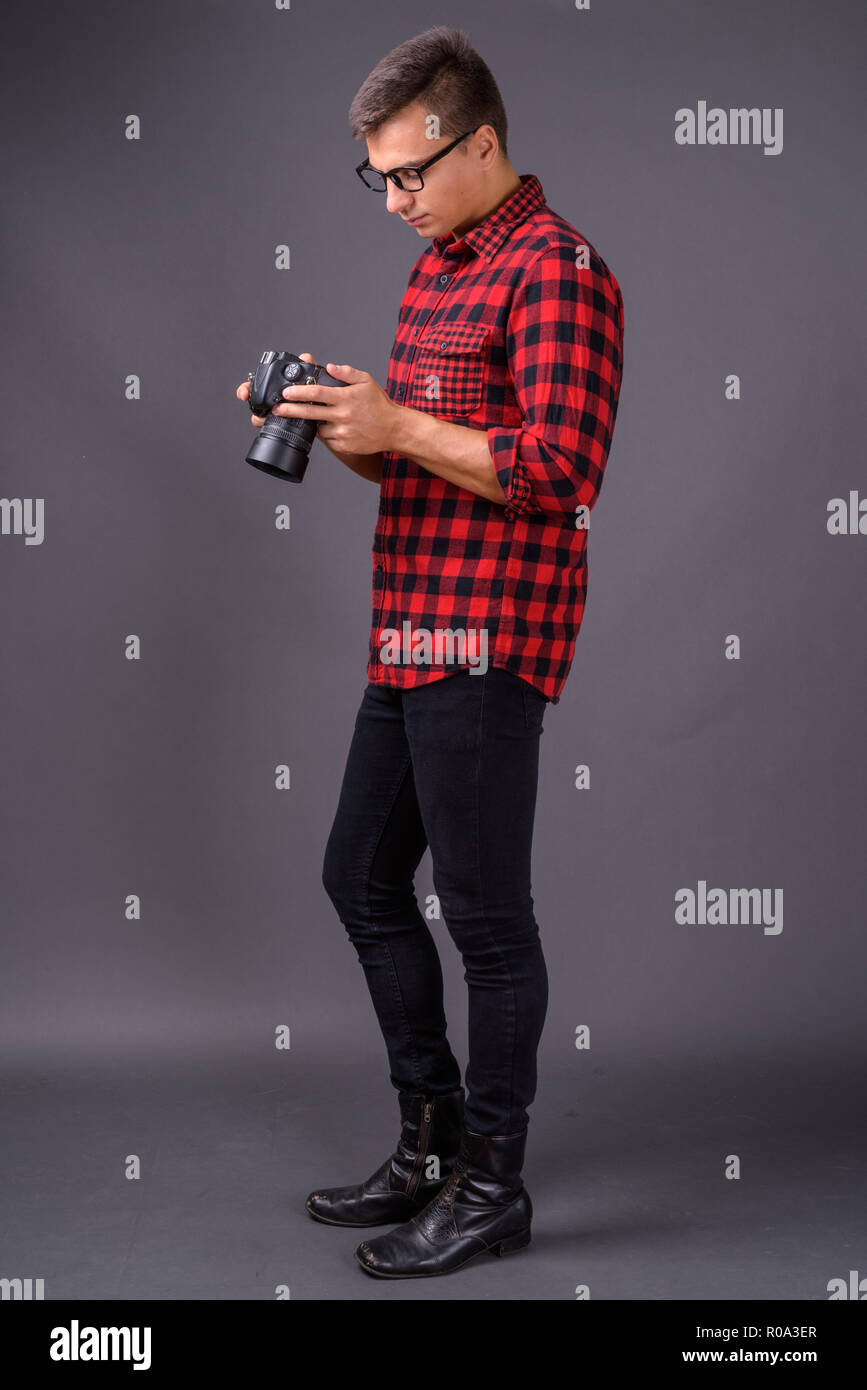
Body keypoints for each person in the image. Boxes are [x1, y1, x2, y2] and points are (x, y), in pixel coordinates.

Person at [236, 24, 624, 1279]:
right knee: (361, 877)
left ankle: (493, 1187)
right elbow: (420, 454)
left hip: (492, 639)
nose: (393, 199)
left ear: (484, 141)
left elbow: (559, 470)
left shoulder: (558, 272)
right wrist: (345, 423)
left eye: (410, 172)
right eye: (379, 180)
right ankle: (430, 1139)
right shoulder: (438, 271)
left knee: (489, 923)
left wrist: (399, 417)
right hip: (407, 631)